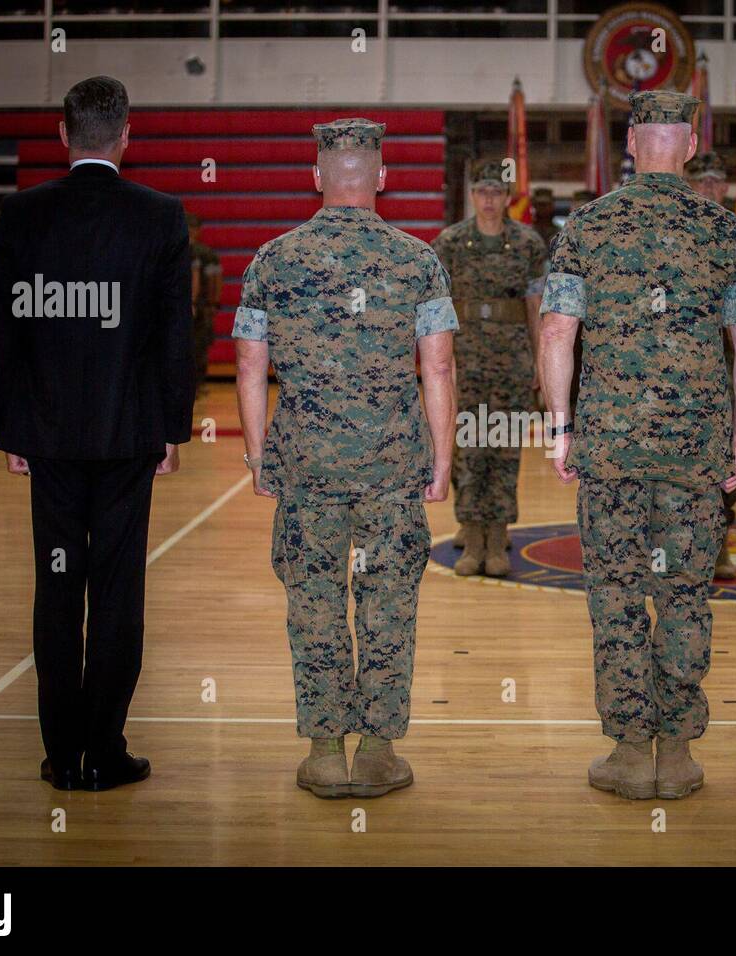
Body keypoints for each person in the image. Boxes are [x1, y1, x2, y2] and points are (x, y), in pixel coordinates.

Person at [539, 90, 736, 801]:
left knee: (616, 594)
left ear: (632, 141)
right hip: (697, 444)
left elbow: (555, 334)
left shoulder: (587, 225)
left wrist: (559, 425)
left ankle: (630, 753)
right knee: (685, 593)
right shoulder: (729, 231)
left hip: (610, 443)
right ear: (693, 143)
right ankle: (678, 754)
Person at [233, 117, 457, 799]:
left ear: (317, 178)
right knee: (387, 601)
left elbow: (249, 364)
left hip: (305, 465)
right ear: (382, 177)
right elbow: (439, 367)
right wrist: (442, 462)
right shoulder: (418, 260)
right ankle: (379, 752)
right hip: (392, 466)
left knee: (314, 602)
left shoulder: (272, 259)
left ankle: (326, 751)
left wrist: (257, 456)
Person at [0, 75, 194, 792]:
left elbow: (6, 335)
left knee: (55, 587)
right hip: (127, 435)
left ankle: (62, 753)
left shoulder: (21, 216)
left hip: (47, 436)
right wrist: (172, 426)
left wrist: (9, 427)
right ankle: (104, 749)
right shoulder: (161, 216)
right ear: (127, 136)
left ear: (62, 134)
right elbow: (176, 337)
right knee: (115, 592)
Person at [431, 160, 545, 576]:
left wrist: (539, 361)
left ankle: (497, 539)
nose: (490, 200)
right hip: (465, 359)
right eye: (482, 192)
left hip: (512, 359)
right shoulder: (450, 243)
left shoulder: (528, 244)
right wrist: (440, 364)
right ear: (472, 195)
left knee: (505, 448)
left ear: (508, 196)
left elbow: (535, 307)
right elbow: (437, 310)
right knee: (469, 450)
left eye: (497, 192)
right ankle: (472, 535)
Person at [685, 150, 736, 578]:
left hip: (732, 368)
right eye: (700, 180)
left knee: (725, 462)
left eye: (715, 181)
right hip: (689, 372)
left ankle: (718, 546)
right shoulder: (684, 231)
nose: (708, 187)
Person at [186, 212, 222, 397]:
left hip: (194, 305)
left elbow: (200, 279)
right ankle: (197, 384)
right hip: (202, 305)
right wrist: (214, 303)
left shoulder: (187, 251)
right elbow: (216, 280)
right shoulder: (206, 253)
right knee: (199, 345)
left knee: (193, 345)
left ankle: (193, 385)